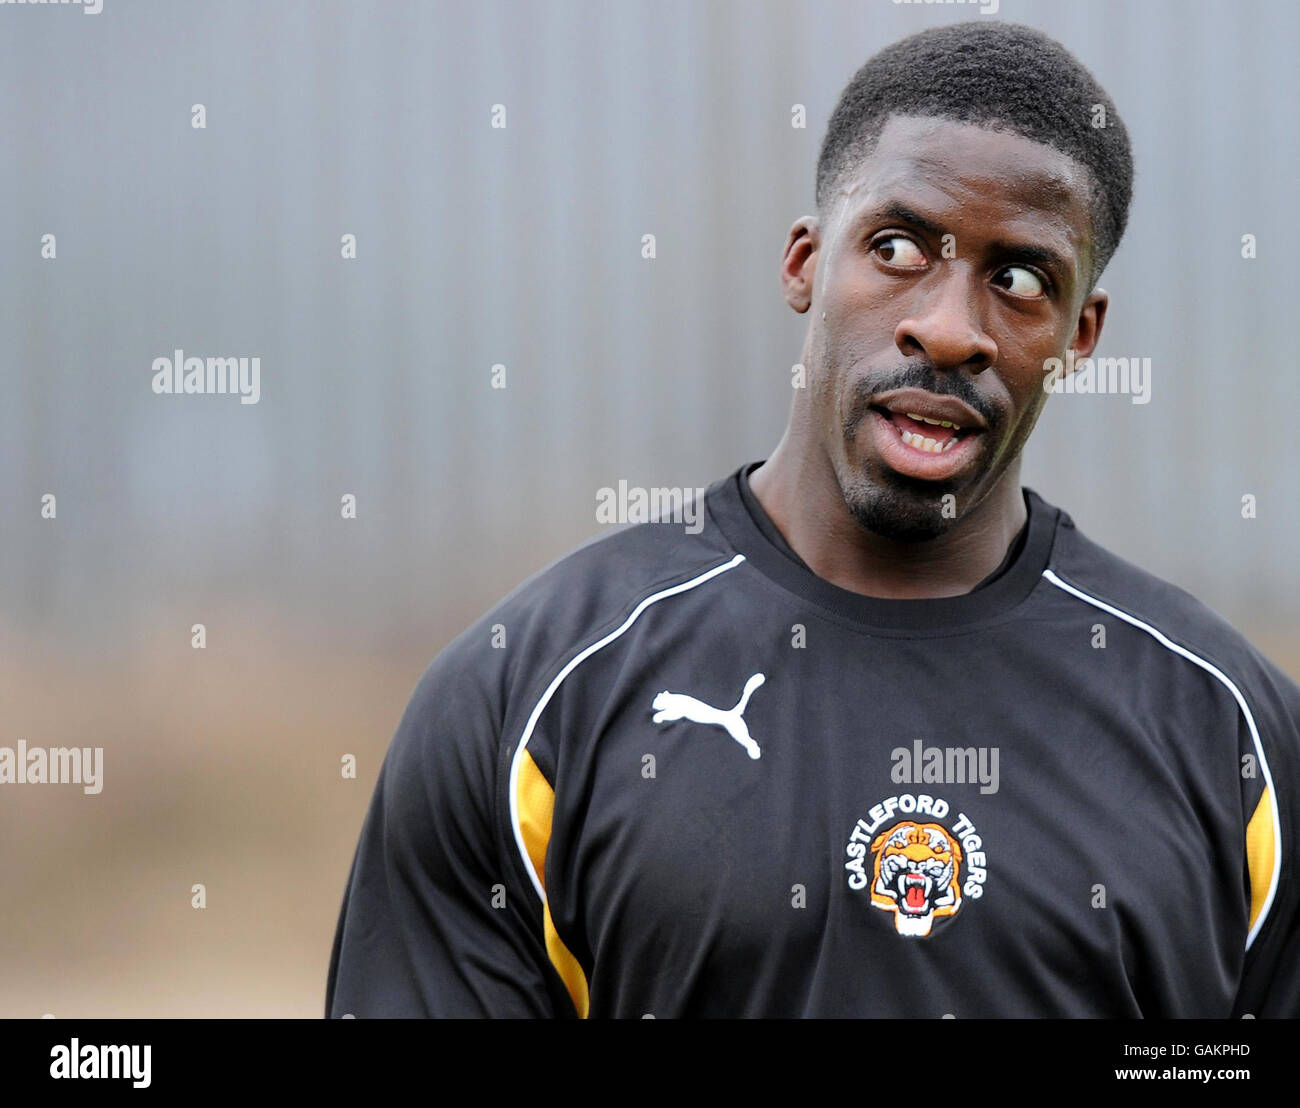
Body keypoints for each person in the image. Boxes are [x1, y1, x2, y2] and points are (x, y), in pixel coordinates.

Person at [325, 20, 1299, 1018]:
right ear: (804, 263)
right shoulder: (529, 698)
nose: (948, 329)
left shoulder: (1234, 740)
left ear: (1078, 336)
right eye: (896, 248)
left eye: (1018, 280)